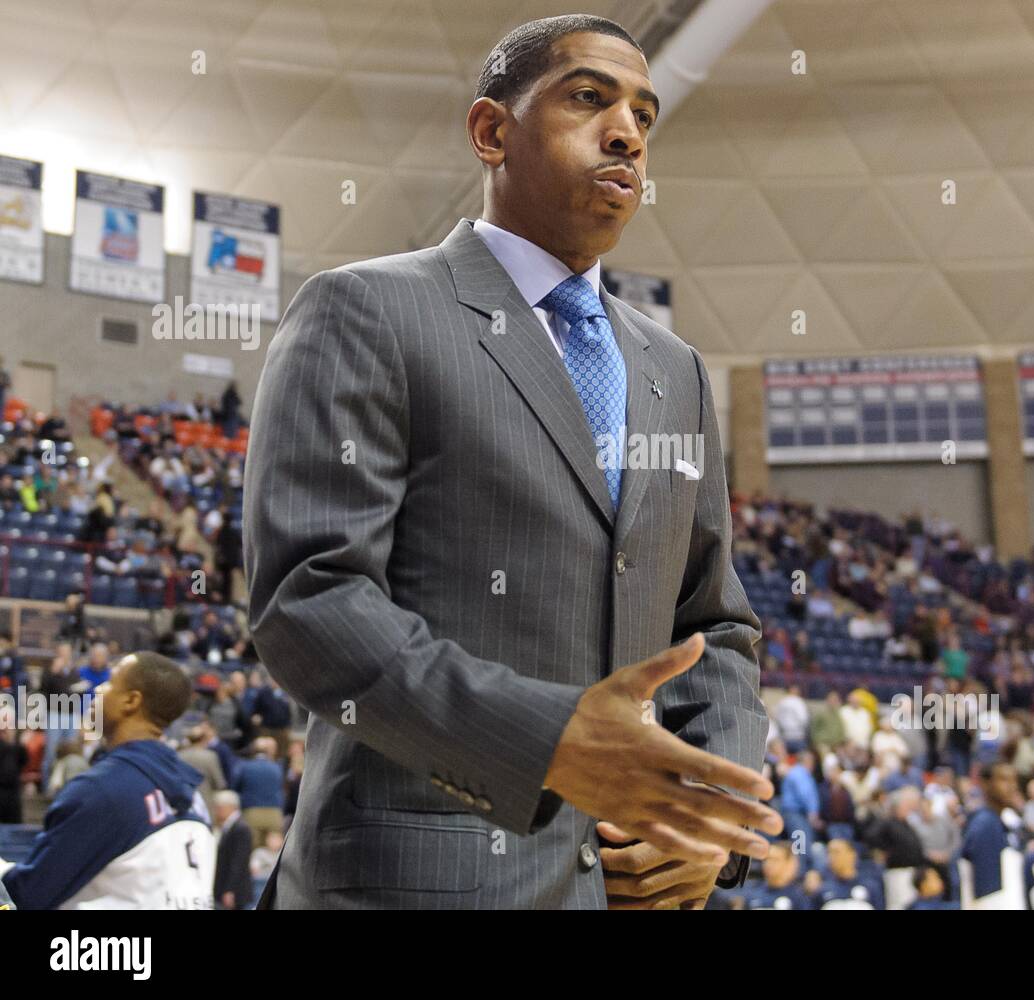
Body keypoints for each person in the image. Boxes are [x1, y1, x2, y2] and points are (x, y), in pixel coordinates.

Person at [244, 13, 779, 910]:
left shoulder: (674, 370)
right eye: (589, 99)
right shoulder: (367, 310)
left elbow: (715, 626)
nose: (627, 134)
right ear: (493, 131)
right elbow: (311, 600)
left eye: (645, 116)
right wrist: (547, 742)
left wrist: (704, 825)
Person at [0, 653, 215, 909]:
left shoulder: (105, 789)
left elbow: (25, 894)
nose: (98, 689)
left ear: (131, 701)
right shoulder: (193, 794)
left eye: (110, 682)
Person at [960, 761, 1025, 907]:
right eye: (1004, 780)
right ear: (984, 784)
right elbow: (987, 894)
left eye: (1014, 780)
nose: (1012, 786)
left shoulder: (1002, 821)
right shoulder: (985, 825)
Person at [212, 790, 253, 911]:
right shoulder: (228, 827)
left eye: (219, 807)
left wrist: (230, 890)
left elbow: (238, 862)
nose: (216, 811)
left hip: (234, 890)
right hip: (225, 888)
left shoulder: (241, 828)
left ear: (230, 807)